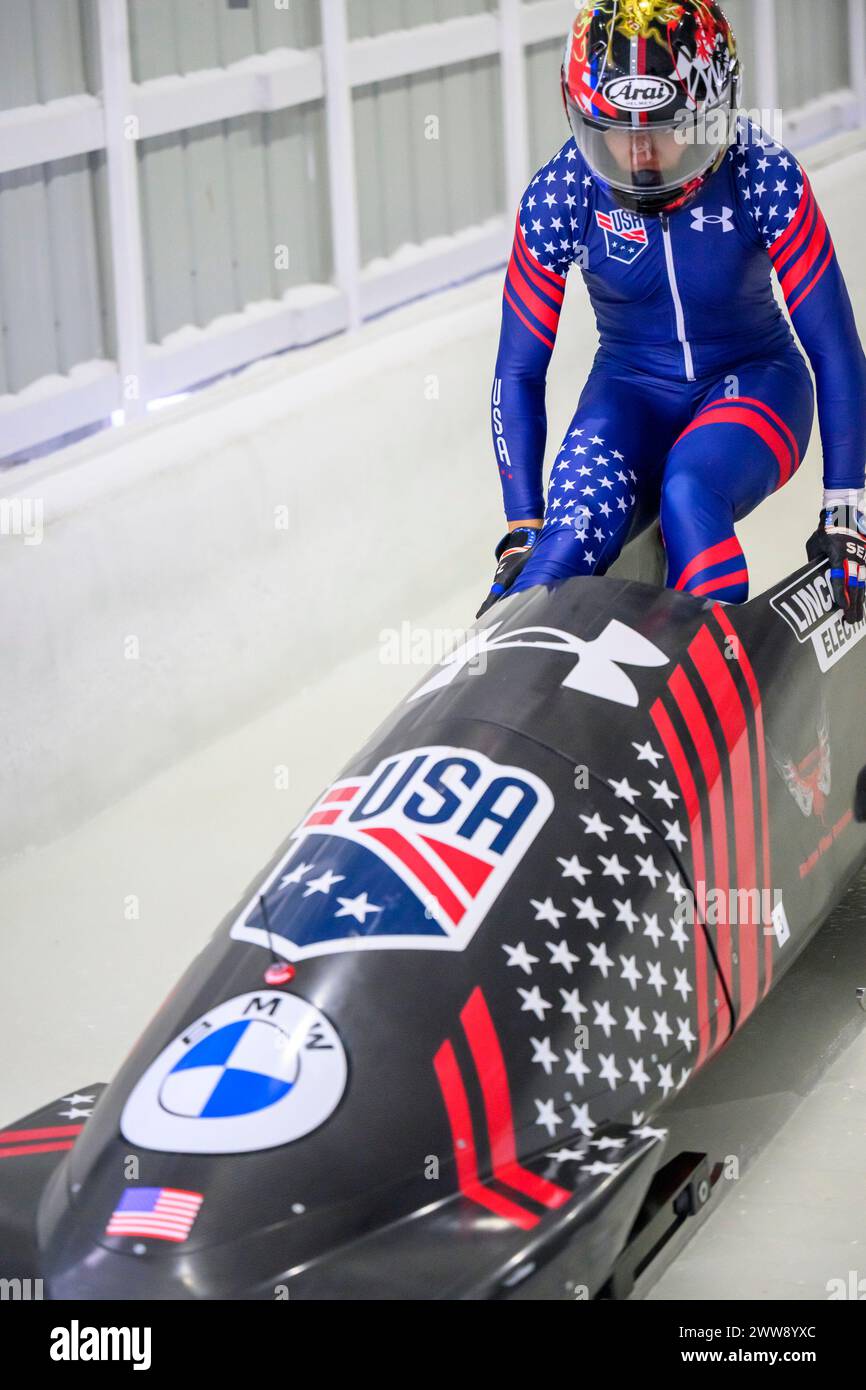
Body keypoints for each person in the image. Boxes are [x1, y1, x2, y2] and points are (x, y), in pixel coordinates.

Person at [480, 0, 866, 625]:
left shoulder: (762, 175)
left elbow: (835, 349)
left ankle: (710, 676)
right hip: (630, 392)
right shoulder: (561, 191)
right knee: (562, 541)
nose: (640, 157)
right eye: (615, 132)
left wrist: (845, 511)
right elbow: (517, 372)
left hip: (755, 379)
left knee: (689, 492)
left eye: (665, 130)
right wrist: (523, 525)